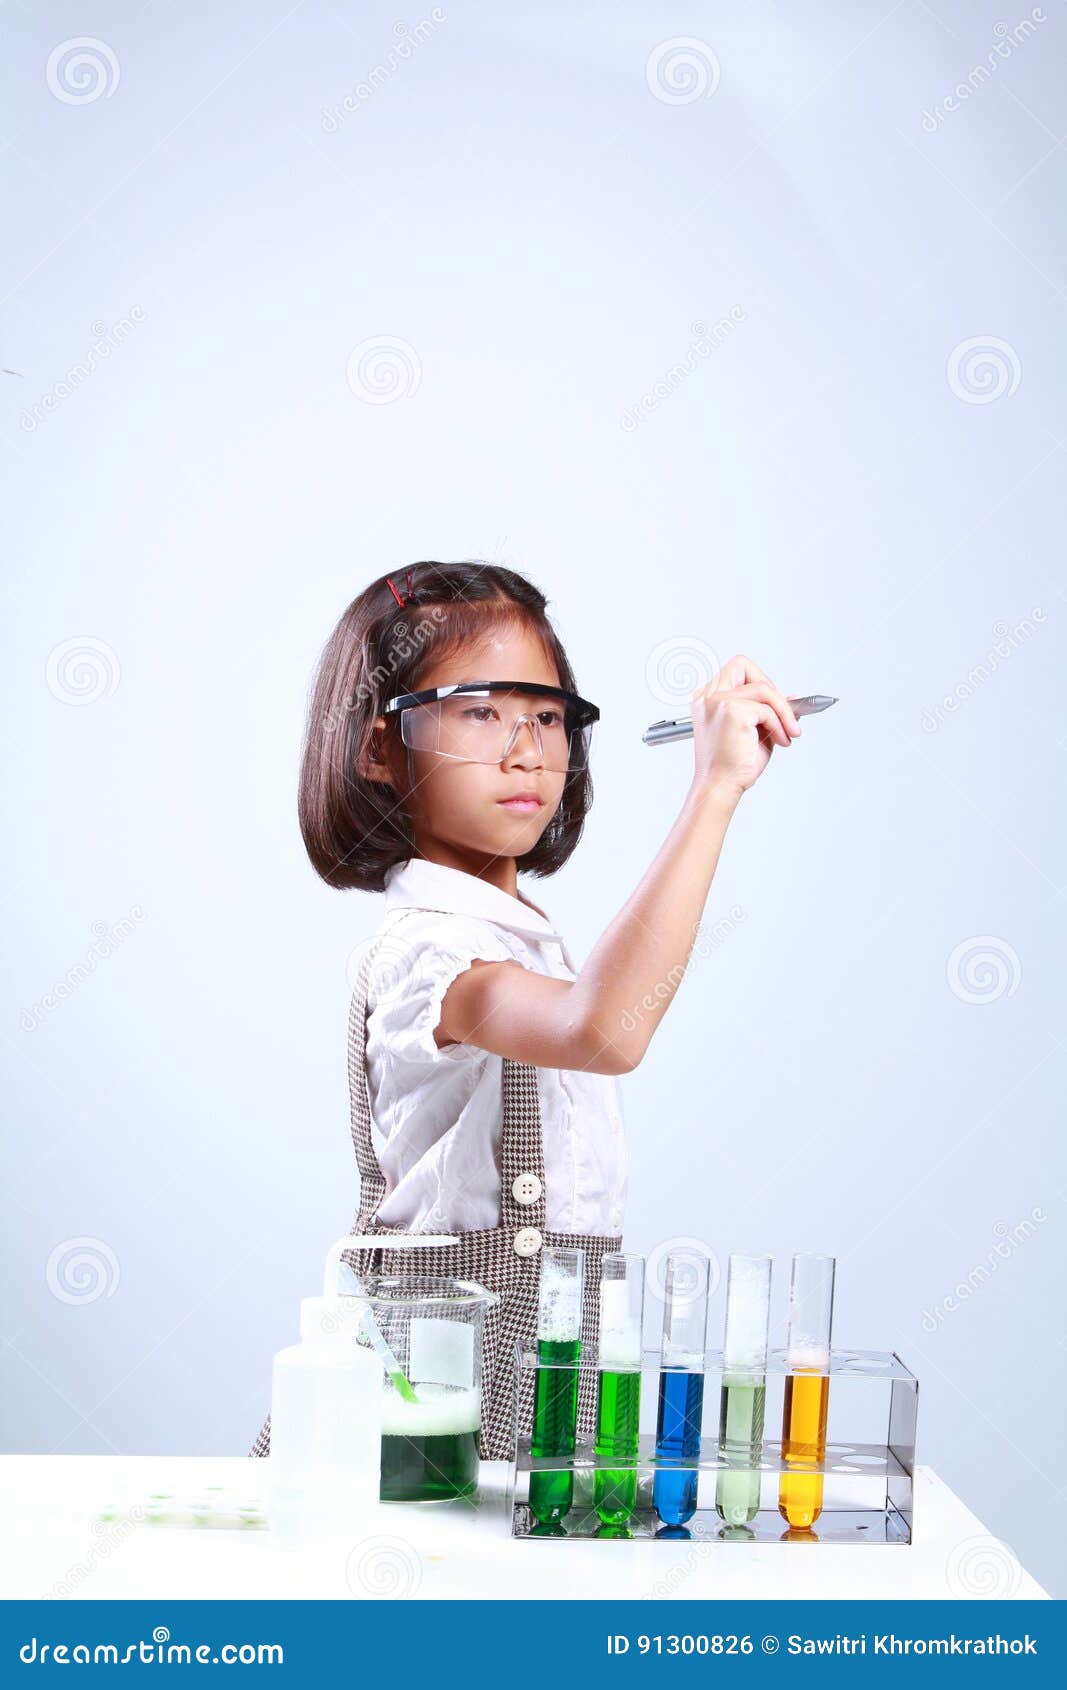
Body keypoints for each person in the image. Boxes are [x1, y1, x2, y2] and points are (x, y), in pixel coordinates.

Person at [250, 560, 800, 1459]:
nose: (525, 750)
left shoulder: (521, 940)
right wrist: (711, 792)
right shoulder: (427, 951)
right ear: (377, 747)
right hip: (432, 1394)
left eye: (547, 715)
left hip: (562, 1363)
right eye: (480, 710)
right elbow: (604, 1029)